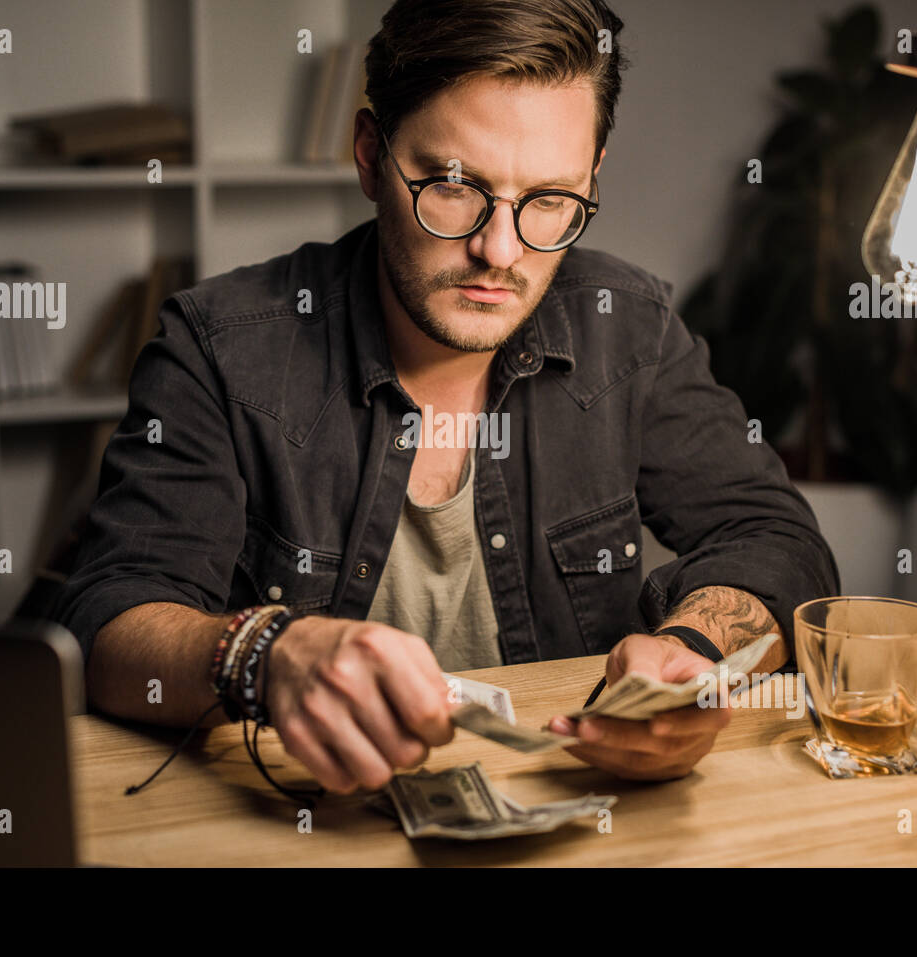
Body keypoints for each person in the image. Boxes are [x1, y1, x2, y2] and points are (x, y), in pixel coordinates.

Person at [54, 0, 839, 794]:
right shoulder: (219, 347)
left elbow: (777, 538)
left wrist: (696, 651)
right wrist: (268, 652)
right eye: (455, 187)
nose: (500, 251)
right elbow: (110, 621)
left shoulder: (627, 326)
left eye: (550, 200)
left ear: (592, 175)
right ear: (370, 156)